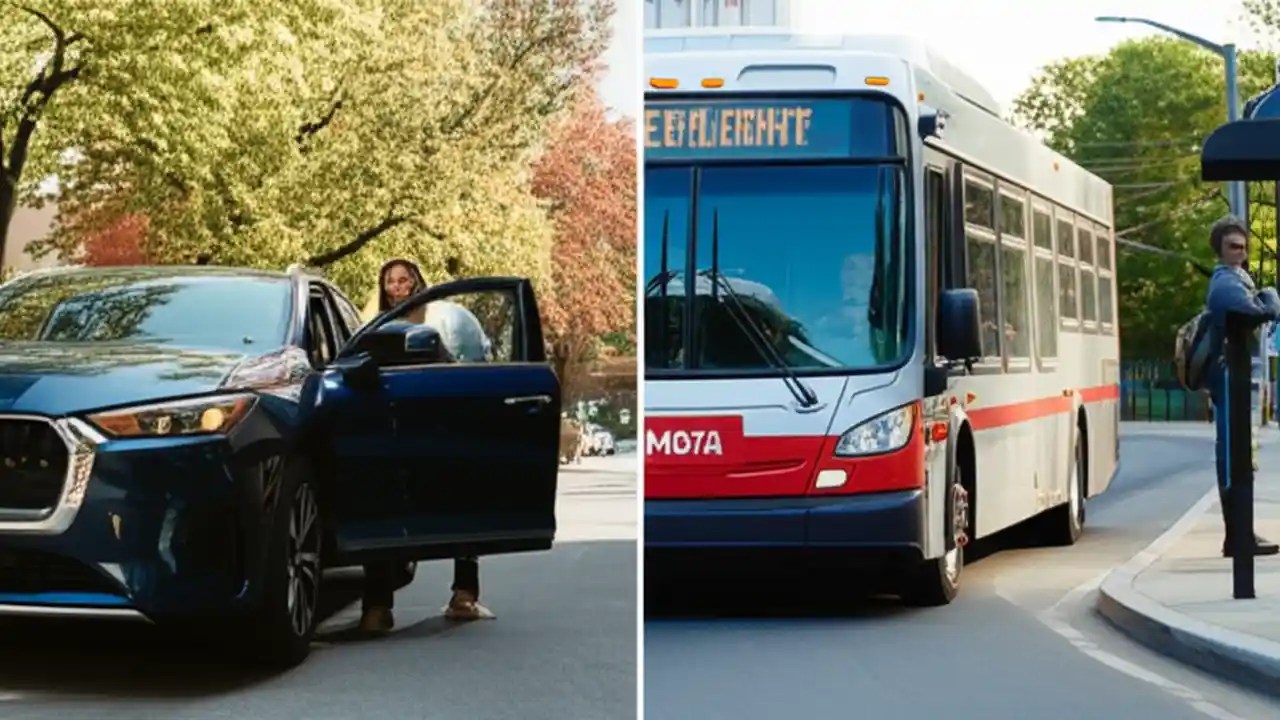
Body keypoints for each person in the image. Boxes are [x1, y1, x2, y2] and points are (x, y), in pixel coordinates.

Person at [358, 257, 493, 633]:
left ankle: (464, 595)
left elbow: (453, 368)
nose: (398, 287)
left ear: (417, 282)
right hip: (389, 430)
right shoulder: (373, 325)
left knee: (462, 504)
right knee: (382, 512)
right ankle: (377, 607)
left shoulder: (440, 322)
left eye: (404, 279)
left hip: (436, 426)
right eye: (391, 281)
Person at [1205, 215, 1280, 557]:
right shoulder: (1225, 283)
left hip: (1233, 376)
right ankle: (1237, 536)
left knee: (1240, 454)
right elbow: (1256, 313)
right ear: (1220, 249)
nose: (1240, 252)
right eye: (1232, 246)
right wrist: (1271, 299)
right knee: (1234, 454)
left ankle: (1241, 533)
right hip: (1226, 376)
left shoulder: (1237, 278)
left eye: (1243, 246)